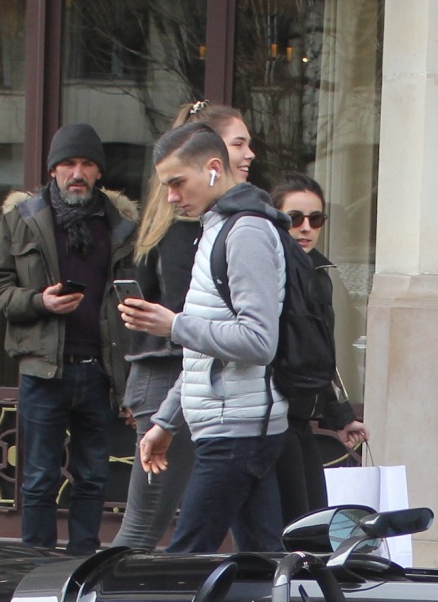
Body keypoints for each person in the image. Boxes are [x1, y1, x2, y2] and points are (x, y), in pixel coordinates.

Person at [120, 121, 289, 553]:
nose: (171, 197)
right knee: (263, 561)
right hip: (235, 426)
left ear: (214, 168)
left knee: (183, 565)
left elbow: (258, 341)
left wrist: (172, 325)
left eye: (177, 183)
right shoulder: (219, 226)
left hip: (236, 429)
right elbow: (203, 354)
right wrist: (166, 420)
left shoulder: (245, 230)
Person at [0, 122, 136, 553]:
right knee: (39, 480)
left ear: (99, 172)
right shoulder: (21, 221)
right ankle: (35, 567)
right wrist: (39, 302)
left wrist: (129, 385)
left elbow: (137, 305)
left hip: (99, 375)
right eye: (68, 164)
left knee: (93, 479)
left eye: (87, 164)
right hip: (44, 372)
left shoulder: (121, 226)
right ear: (53, 171)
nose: (77, 173)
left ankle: (82, 564)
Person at [267, 173, 371, 524]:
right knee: (294, 524)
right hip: (270, 415)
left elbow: (319, 355)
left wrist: (339, 415)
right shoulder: (268, 269)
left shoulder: (320, 272)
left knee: (312, 520)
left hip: (298, 417)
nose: (306, 228)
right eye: (294, 218)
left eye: (316, 219)